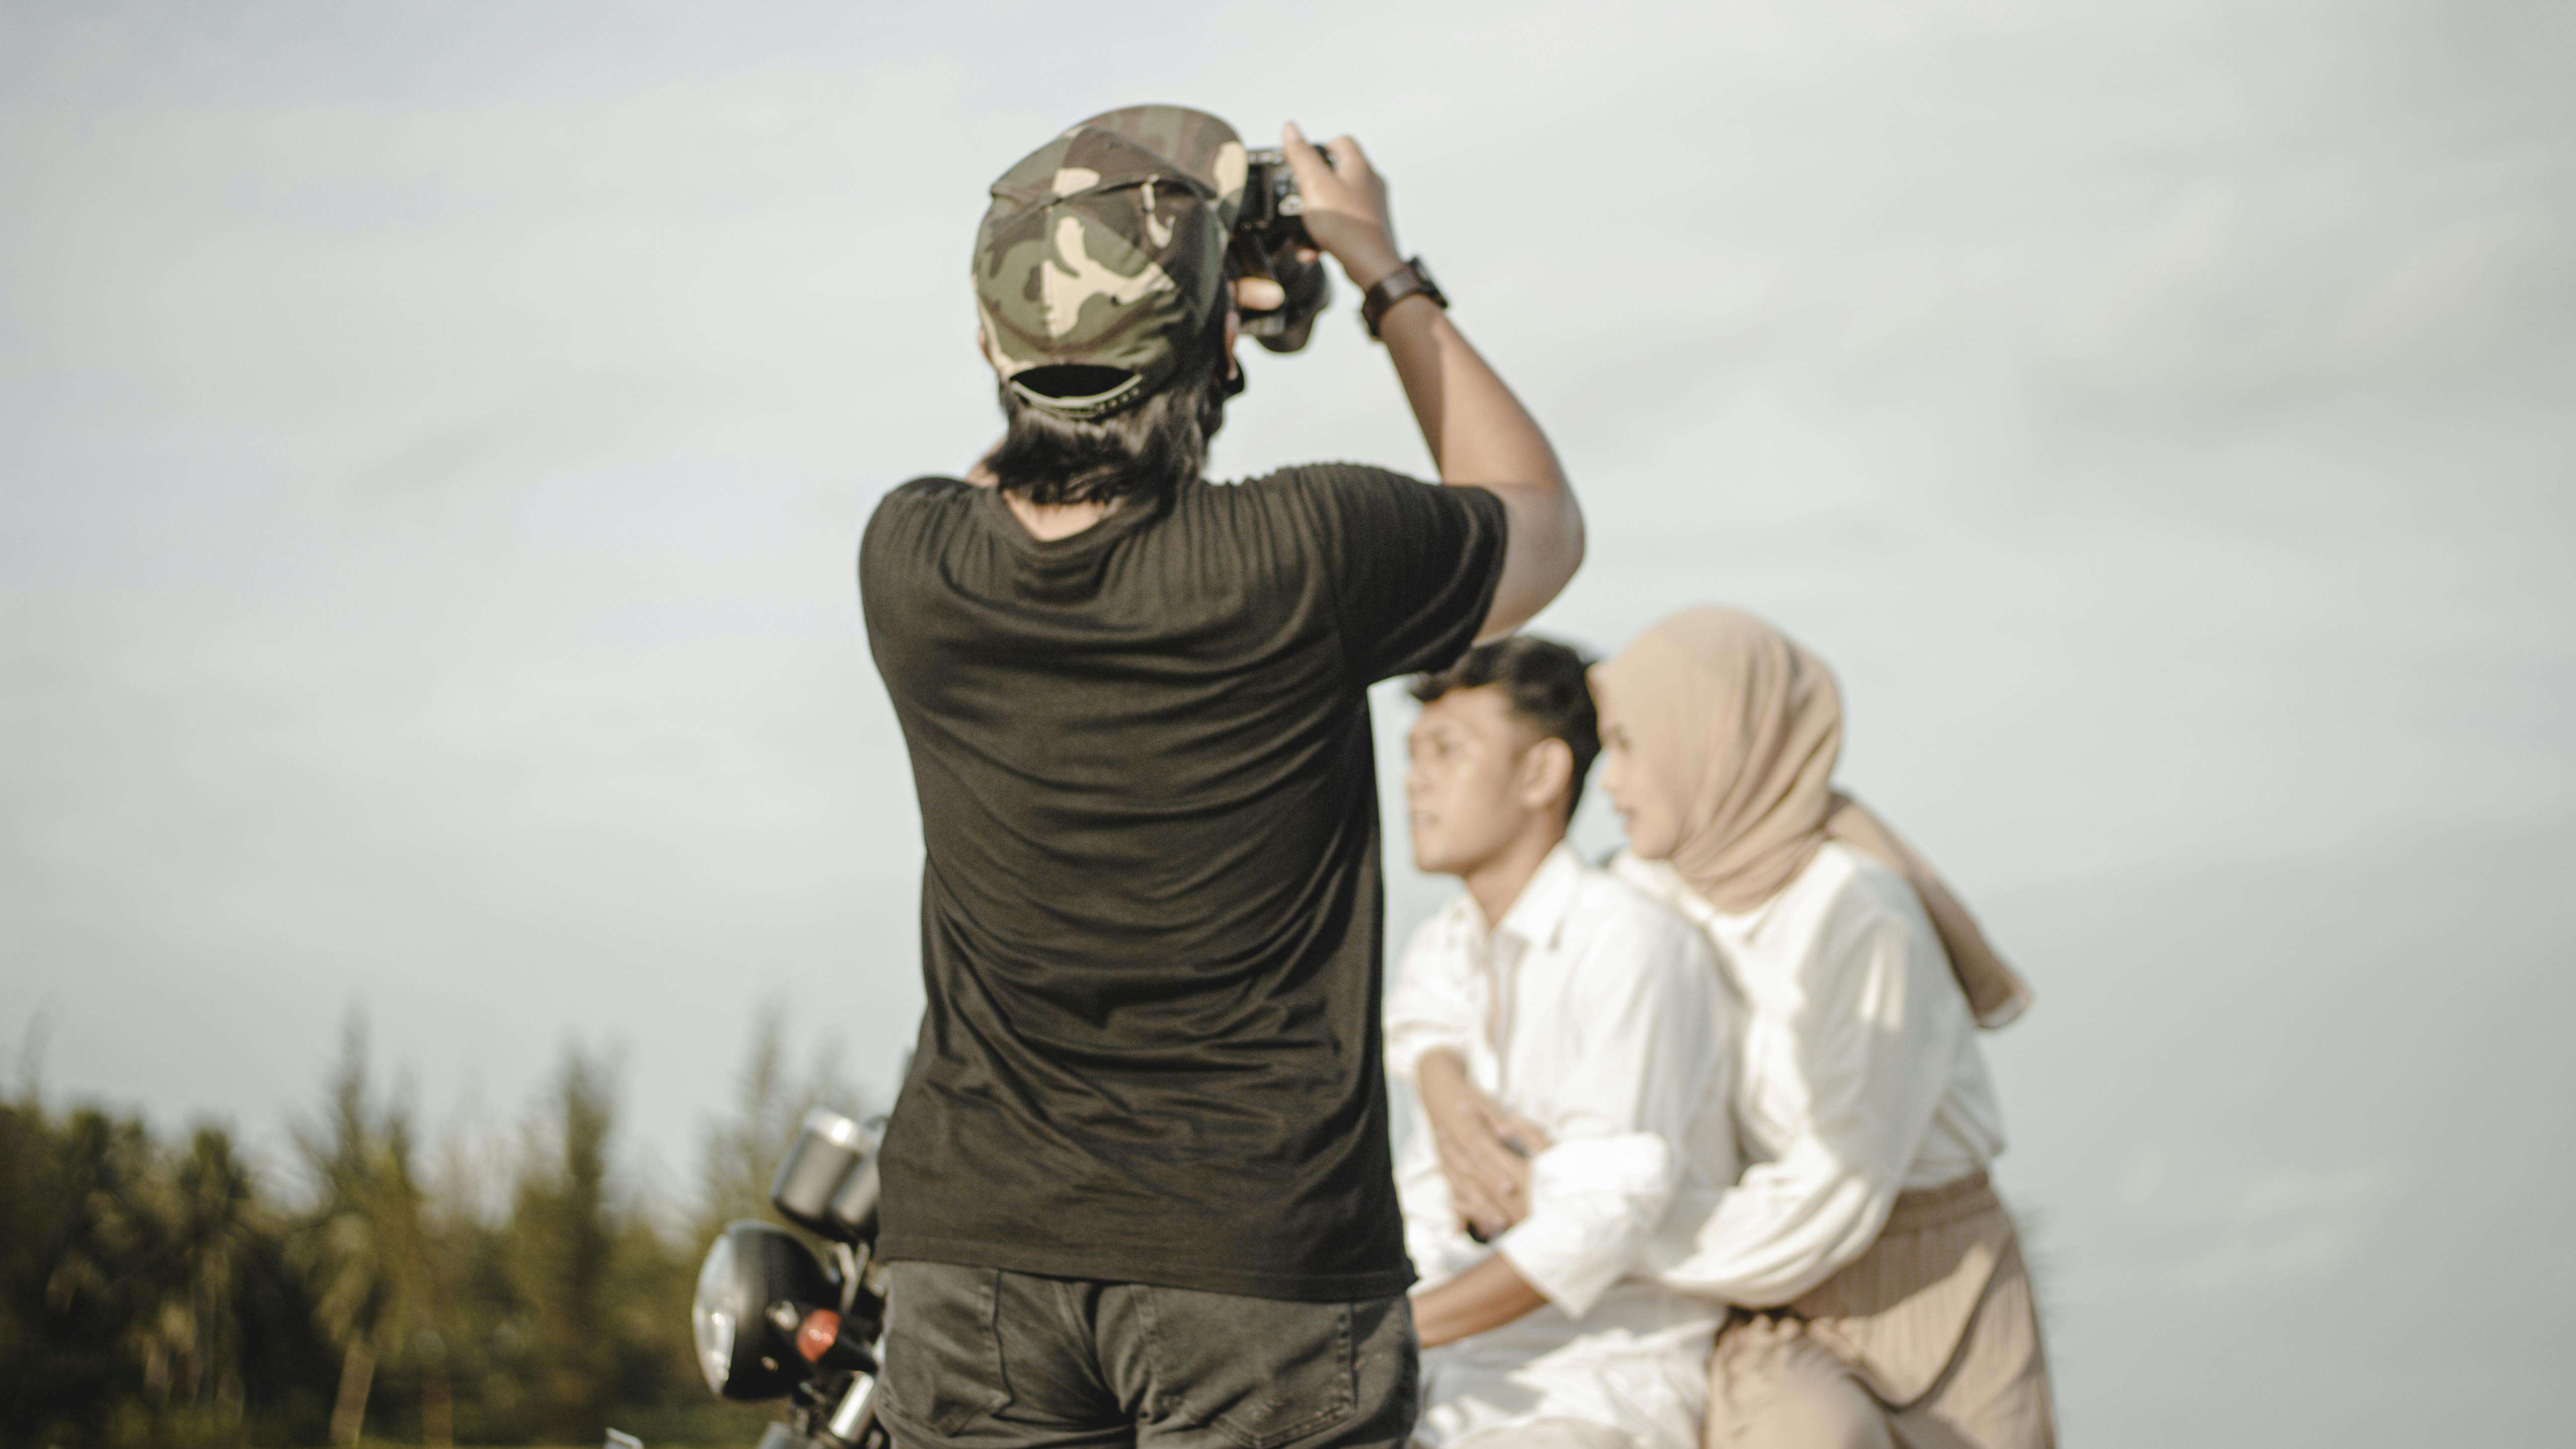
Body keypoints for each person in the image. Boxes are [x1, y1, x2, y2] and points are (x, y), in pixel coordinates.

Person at [857, 105, 1584, 1449]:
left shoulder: (909, 560)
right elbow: (1541, 524)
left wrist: (1168, 322)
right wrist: (1379, 269)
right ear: (1210, 343)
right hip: (1260, 1260)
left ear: (990, 345)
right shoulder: (1307, 549)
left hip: (977, 1252)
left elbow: (1029, 475)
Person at [1586, 606, 2055, 1449]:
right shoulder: (1651, 887)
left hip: (1939, 1280)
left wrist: (1612, 1233)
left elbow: (1831, 1191)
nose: (1609, 784)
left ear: (1711, 740)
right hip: (1772, 1299)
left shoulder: (1860, 913)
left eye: (1627, 745)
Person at [1384, 637, 1738, 1449]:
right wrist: (1442, 1085)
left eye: (1446, 751)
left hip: (1591, 1384)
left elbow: (1600, 1217)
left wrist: (1380, 1333)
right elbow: (1417, 1022)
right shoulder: (1448, 943)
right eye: (1411, 754)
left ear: (1542, 775)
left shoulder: (1628, 942)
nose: (1415, 779)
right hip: (1446, 1377)